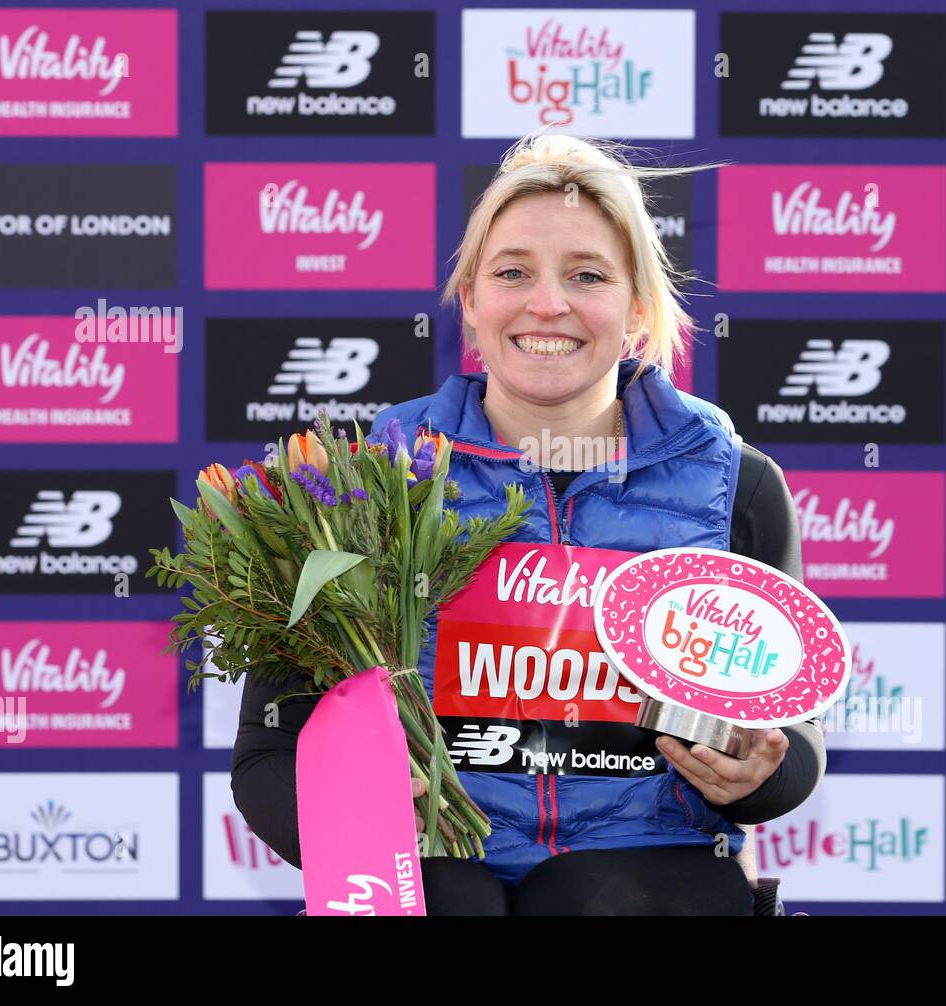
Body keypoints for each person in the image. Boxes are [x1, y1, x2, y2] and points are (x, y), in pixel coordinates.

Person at [232, 130, 826, 915]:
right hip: (433, 866)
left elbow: (793, 735)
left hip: (652, 874)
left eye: (587, 274)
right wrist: (348, 814)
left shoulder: (736, 485)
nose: (548, 303)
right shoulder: (361, 489)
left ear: (638, 306)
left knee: (589, 900)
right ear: (471, 302)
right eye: (513, 273)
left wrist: (760, 770)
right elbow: (269, 753)